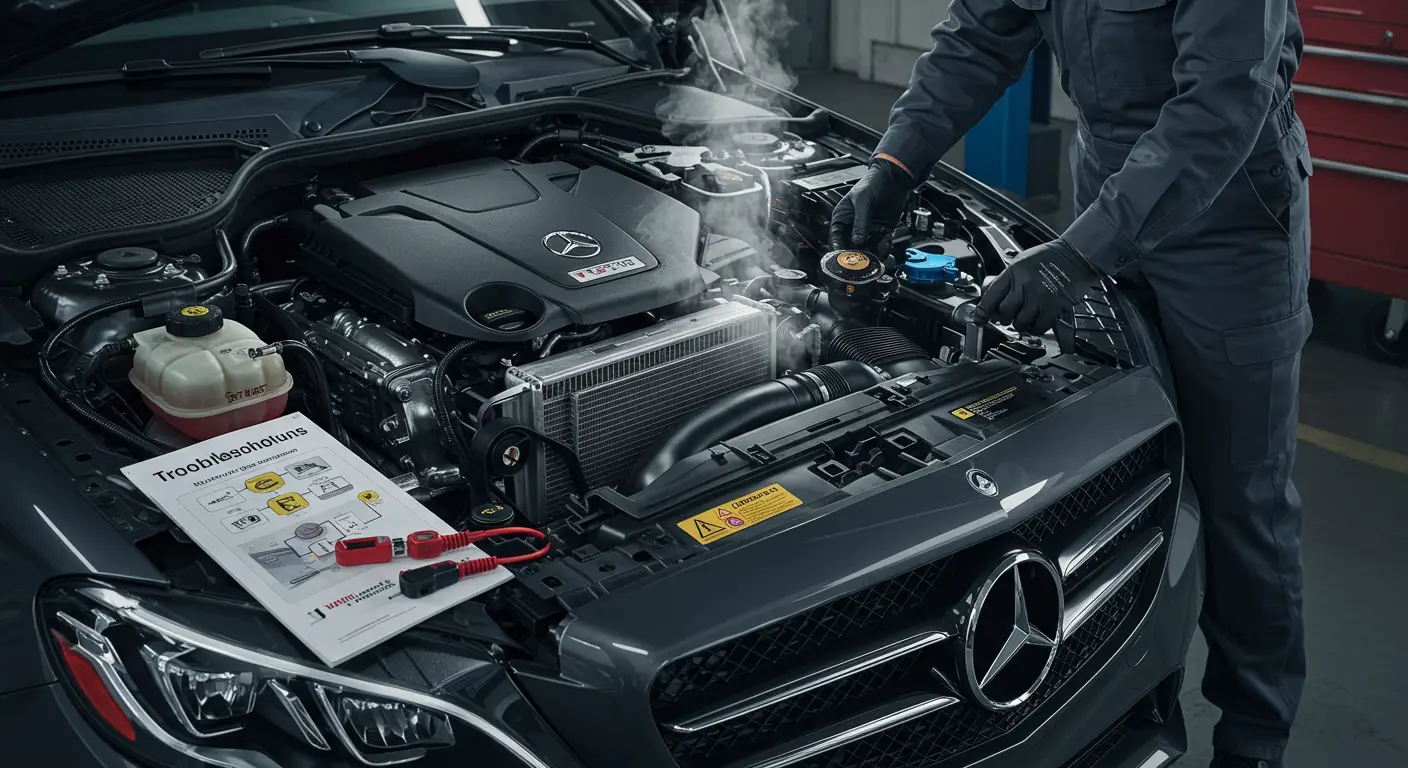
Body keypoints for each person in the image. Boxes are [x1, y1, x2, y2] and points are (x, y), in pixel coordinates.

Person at [829, 2, 1309, 767]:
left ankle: (1253, 740)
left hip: (1228, 226)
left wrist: (1073, 257)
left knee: (1240, 500)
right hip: (1109, 201)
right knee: (1116, 467)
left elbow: (1221, 103)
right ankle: (1115, 697)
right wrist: (894, 165)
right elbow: (980, 37)